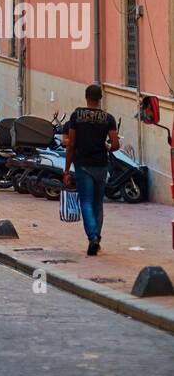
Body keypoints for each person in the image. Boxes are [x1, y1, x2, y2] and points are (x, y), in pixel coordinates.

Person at [63, 83, 119, 256]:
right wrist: (106, 147)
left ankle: (93, 236)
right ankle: (97, 238)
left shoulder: (76, 115)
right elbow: (115, 145)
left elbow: (71, 143)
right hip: (101, 164)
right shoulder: (108, 118)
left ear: (86, 97)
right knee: (97, 203)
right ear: (100, 99)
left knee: (85, 201)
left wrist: (66, 170)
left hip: (83, 165)